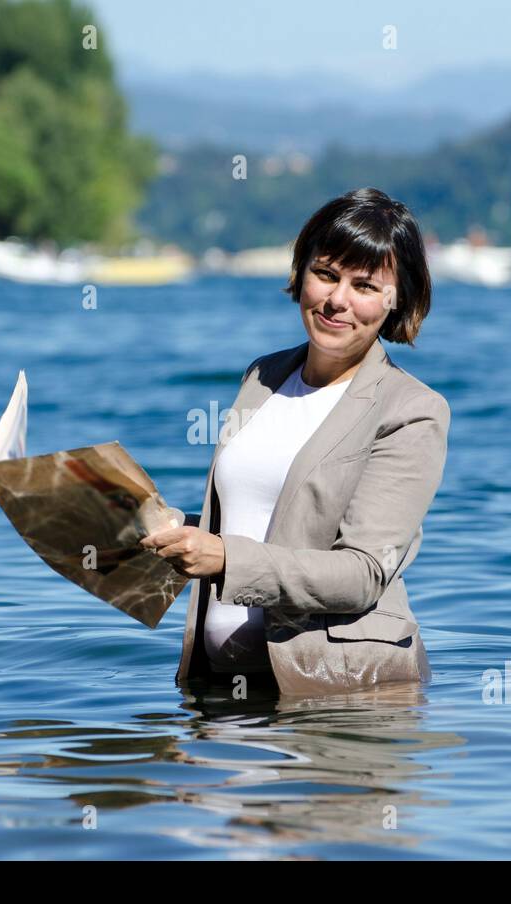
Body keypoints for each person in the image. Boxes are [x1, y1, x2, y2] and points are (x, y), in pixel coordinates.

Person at [139, 187, 450, 695]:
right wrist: (173, 529)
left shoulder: (412, 410)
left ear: (399, 298)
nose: (337, 300)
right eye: (325, 275)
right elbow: (257, 523)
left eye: (365, 285)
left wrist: (222, 558)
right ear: (301, 273)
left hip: (343, 697)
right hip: (221, 685)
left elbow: (363, 574)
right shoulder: (263, 375)